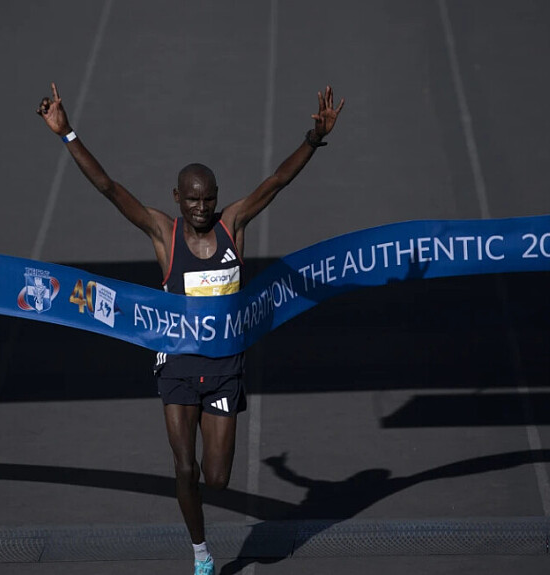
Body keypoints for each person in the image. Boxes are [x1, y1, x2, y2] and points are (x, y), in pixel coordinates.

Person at [37, 82, 343, 574]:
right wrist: (67, 132)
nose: (201, 209)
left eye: (209, 200)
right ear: (176, 197)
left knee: (218, 478)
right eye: (193, 200)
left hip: (224, 367)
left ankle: (205, 522)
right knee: (185, 467)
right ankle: (201, 554)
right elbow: (109, 188)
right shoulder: (165, 231)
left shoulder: (233, 226)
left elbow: (276, 183)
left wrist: (313, 138)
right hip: (177, 362)